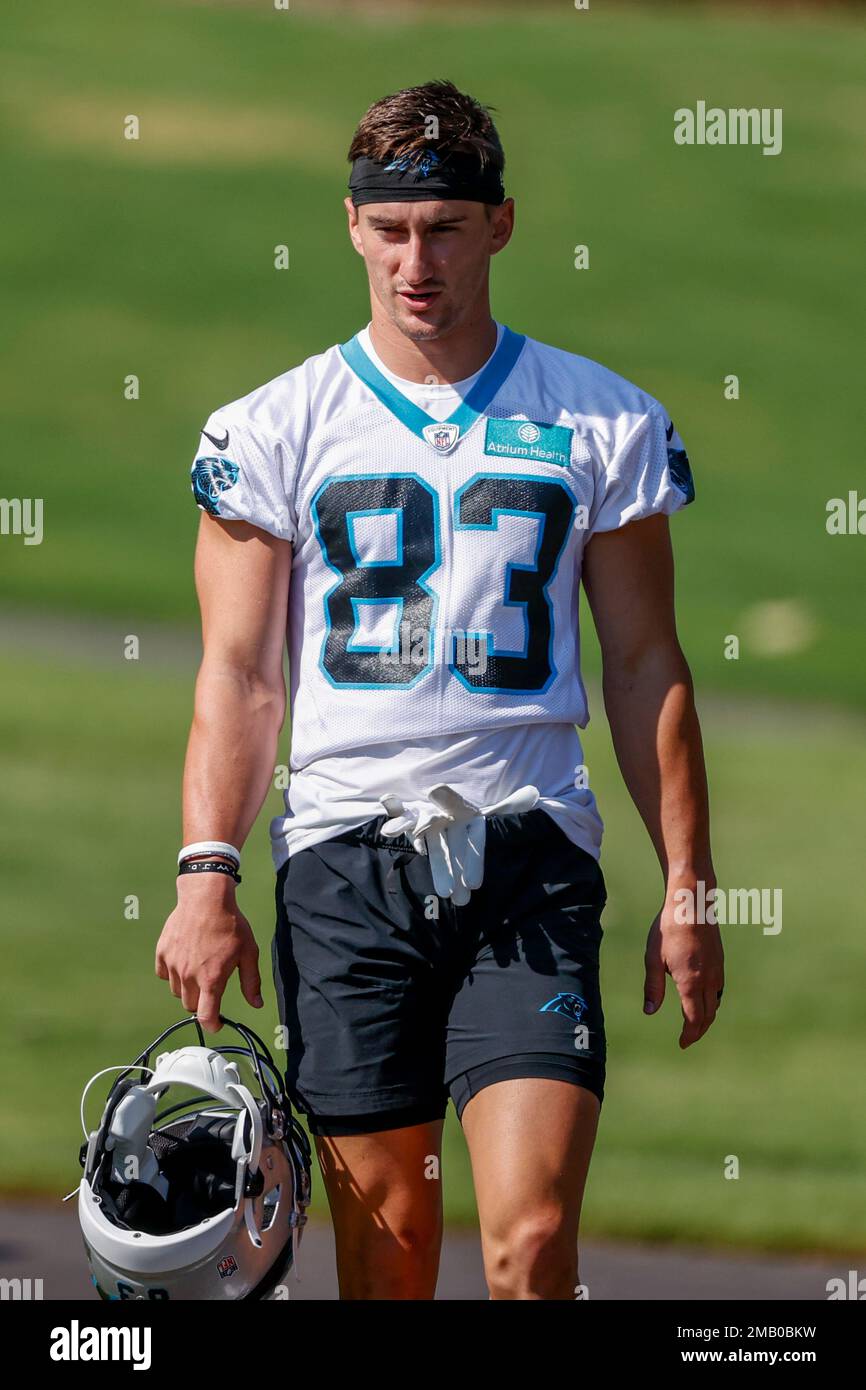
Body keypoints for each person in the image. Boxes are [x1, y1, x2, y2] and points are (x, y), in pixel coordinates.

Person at [157, 79, 724, 1301]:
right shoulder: (270, 427)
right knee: (392, 1249)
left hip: (529, 853)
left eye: (447, 229)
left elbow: (645, 665)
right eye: (392, 229)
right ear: (351, 225)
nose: (417, 263)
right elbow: (240, 675)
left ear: (500, 224)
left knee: (530, 1240)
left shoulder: (602, 420)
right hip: (344, 863)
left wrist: (687, 880)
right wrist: (207, 873)